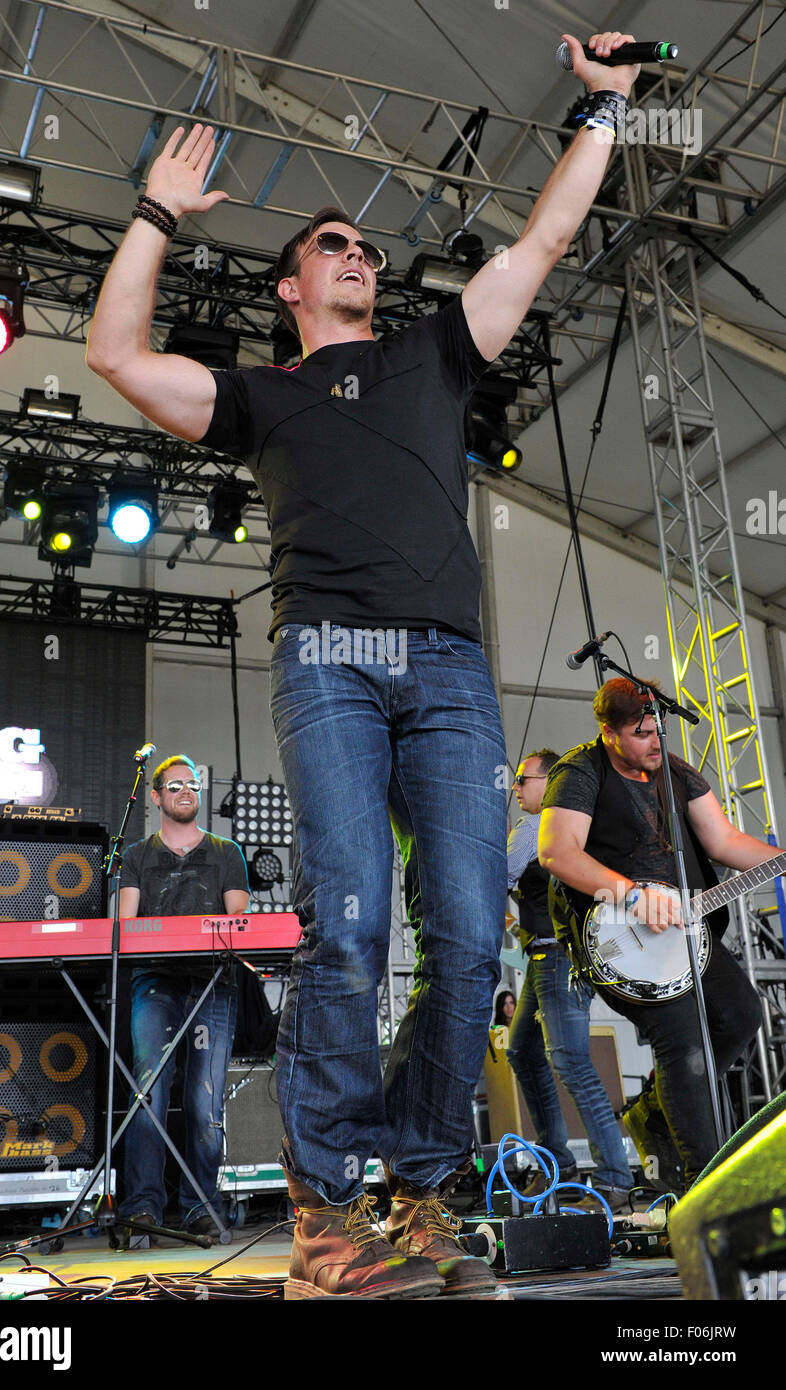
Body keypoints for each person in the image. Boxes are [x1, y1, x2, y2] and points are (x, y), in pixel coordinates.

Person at [87, 33, 643, 1298]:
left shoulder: (432, 355)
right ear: (290, 287)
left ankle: (424, 1187)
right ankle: (327, 1213)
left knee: (464, 934)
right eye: (332, 246)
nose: (358, 254)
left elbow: (544, 241)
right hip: (329, 662)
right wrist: (156, 212)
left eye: (366, 247)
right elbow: (116, 353)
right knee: (347, 926)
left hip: (447, 672)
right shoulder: (261, 397)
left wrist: (603, 108)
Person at [539, 679, 782, 1186]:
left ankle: (652, 1110)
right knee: (685, 1045)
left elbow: (723, 840)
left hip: (686, 929)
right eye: (640, 732)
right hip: (615, 937)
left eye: (658, 730)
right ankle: (705, 1188)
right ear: (608, 732)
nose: (654, 741)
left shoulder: (674, 769)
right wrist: (629, 894)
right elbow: (558, 853)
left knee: (739, 1016)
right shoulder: (580, 770)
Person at [117, 755, 249, 1242]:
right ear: (155, 797)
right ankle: (143, 1208)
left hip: (212, 983)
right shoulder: (136, 856)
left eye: (193, 784)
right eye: (175, 785)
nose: (186, 791)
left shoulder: (225, 852)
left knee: (204, 1102)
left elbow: (238, 918)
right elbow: (126, 926)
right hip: (155, 982)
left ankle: (199, 1207)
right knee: (149, 1090)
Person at [505, 749, 634, 1205]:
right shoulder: (570, 828)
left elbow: (498, 874)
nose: (516, 787)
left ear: (550, 781)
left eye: (523, 779)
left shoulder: (533, 829)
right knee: (521, 1050)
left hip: (557, 959)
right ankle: (556, 1161)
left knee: (572, 1063)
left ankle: (616, 1177)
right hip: (546, 957)